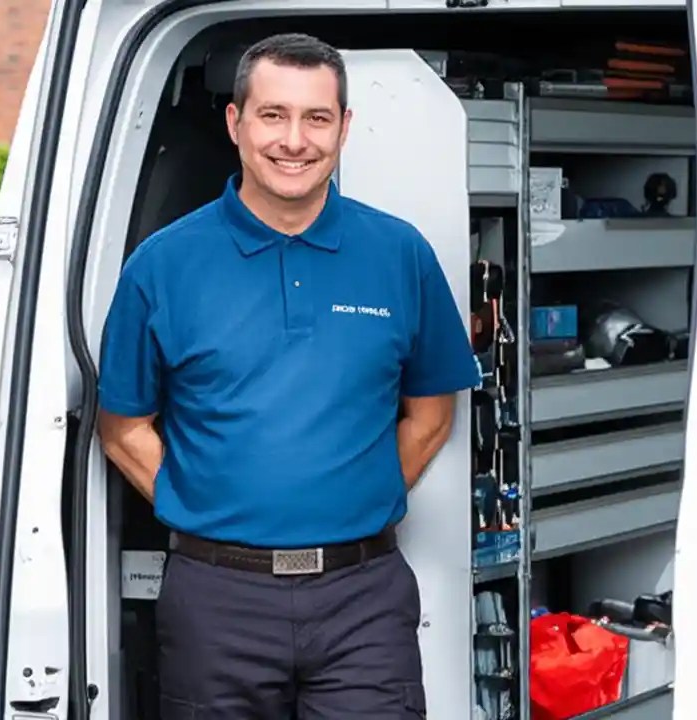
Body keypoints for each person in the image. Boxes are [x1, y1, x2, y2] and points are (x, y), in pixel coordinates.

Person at [96, 32, 479, 719]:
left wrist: (348, 497)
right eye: (273, 115)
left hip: (363, 602)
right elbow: (124, 429)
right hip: (217, 601)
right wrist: (211, 506)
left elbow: (431, 414)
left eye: (316, 118)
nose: (294, 140)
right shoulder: (162, 265)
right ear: (235, 122)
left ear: (345, 128)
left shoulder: (400, 254)